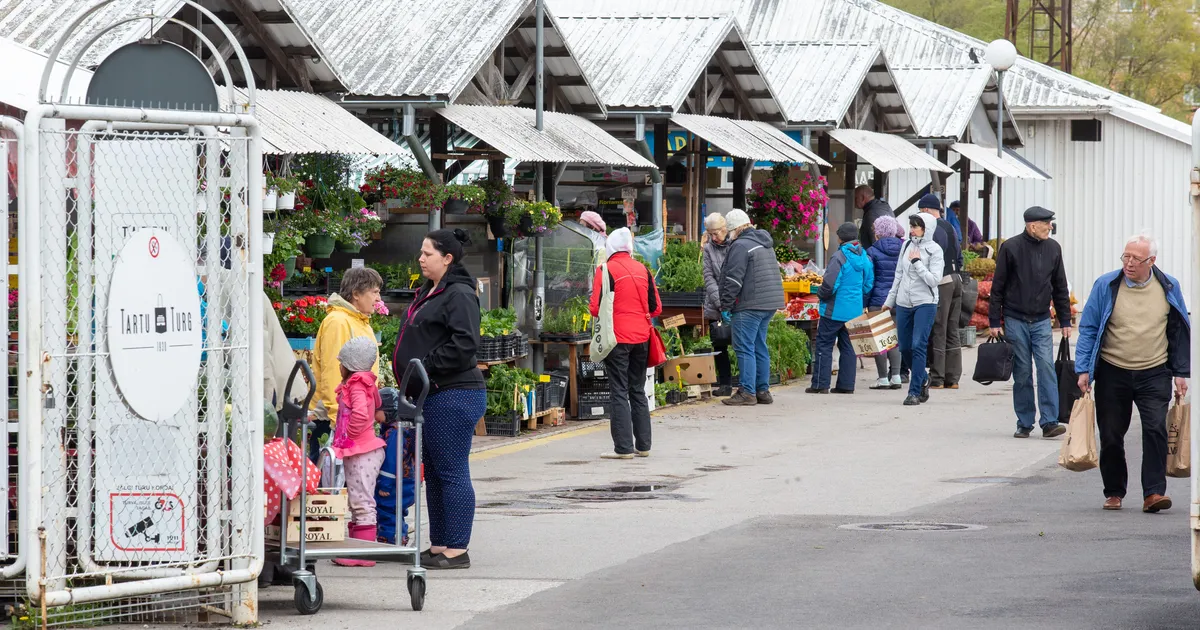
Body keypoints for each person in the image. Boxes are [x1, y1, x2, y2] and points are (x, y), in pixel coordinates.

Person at [1074, 234, 1191, 513]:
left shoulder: (1168, 286)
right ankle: (1114, 491)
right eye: (1125, 256)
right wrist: (1083, 369)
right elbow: (1089, 327)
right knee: (1112, 434)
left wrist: (1180, 373)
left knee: (1155, 429)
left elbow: (1178, 330)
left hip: (1154, 371)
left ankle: (1153, 493)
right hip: (1113, 370)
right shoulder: (1106, 285)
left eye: (1135, 259)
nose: (1128, 263)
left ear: (1151, 261)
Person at [392, 228, 486, 570]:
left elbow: (464, 345)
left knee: (451, 471)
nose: (421, 258)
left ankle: (457, 548)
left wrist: (424, 368)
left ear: (447, 258)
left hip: (453, 393)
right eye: (421, 252)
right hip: (431, 395)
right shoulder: (430, 291)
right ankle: (440, 543)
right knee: (433, 471)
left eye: (427, 253)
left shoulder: (458, 293)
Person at [989, 206, 1071, 439]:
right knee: (1022, 372)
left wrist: (1065, 319)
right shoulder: (1010, 248)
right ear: (1032, 225)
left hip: (1042, 320)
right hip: (1015, 319)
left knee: (1046, 368)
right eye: (1047, 223)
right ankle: (1024, 422)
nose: (1050, 227)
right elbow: (998, 287)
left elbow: (1060, 286)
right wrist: (995, 320)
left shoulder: (1054, 248)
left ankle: (1049, 421)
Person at [590, 228, 662, 458]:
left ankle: (623, 448)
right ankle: (644, 446)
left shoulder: (605, 270)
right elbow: (655, 308)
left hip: (617, 339)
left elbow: (594, 308)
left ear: (609, 248)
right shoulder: (643, 270)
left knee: (619, 391)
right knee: (637, 390)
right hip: (642, 338)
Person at [311, 267, 383, 462]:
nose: (378, 299)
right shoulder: (338, 322)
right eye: (374, 292)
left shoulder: (358, 320)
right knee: (330, 486)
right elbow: (333, 373)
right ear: (356, 294)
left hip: (353, 420)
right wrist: (339, 423)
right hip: (334, 421)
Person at [719, 209, 786, 406]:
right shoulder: (764, 243)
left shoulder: (741, 245)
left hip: (749, 304)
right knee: (759, 346)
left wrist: (726, 305)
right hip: (768, 303)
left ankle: (747, 392)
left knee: (744, 347)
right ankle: (762, 391)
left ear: (735, 229)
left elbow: (733, 279)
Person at [330, 336, 386, 567]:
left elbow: (362, 415)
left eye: (341, 361)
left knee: (362, 500)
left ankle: (363, 554)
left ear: (349, 365)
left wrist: (349, 436)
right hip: (363, 450)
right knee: (357, 499)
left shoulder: (356, 385)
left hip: (361, 451)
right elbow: (379, 408)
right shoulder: (367, 383)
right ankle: (357, 548)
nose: (339, 365)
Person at [884, 213, 943, 406]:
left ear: (927, 229)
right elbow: (898, 275)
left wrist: (918, 263)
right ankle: (922, 377)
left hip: (925, 302)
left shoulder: (935, 250)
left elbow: (934, 280)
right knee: (905, 346)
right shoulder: (906, 245)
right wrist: (889, 300)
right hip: (903, 302)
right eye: (911, 226)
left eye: (916, 226)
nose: (912, 230)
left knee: (918, 344)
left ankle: (914, 392)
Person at [808, 223, 874, 394]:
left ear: (840, 238)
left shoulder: (839, 257)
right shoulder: (865, 257)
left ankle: (820, 385)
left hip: (834, 310)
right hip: (854, 311)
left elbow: (829, 284)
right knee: (849, 348)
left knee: (824, 345)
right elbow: (868, 284)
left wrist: (821, 294)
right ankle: (846, 385)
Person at [917, 194, 964, 390]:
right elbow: (959, 255)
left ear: (926, 210)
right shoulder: (950, 227)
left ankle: (937, 376)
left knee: (939, 327)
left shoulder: (932, 229)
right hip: (956, 279)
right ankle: (952, 378)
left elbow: (931, 257)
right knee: (952, 328)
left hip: (942, 281)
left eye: (920, 211)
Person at [866, 216, 905, 390]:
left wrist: (865, 301)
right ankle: (896, 376)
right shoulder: (904, 248)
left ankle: (882, 378)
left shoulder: (872, 251)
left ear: (879, 232)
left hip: (878, 300)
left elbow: (868, 280)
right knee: (894, 339)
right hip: (899, 300)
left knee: (881, 340)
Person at [701, 212, 733, 397]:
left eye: (716, 233)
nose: (714, 238)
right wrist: (721, 303)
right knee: (719, 344)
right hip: (717, 304)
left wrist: (731, 301)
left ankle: (747, 384)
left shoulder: (735, 245)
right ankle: (725, 383)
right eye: (710, 234)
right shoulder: (708, 249)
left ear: (725, 229)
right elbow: (709, 277)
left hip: (735, 301)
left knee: (741, 344)